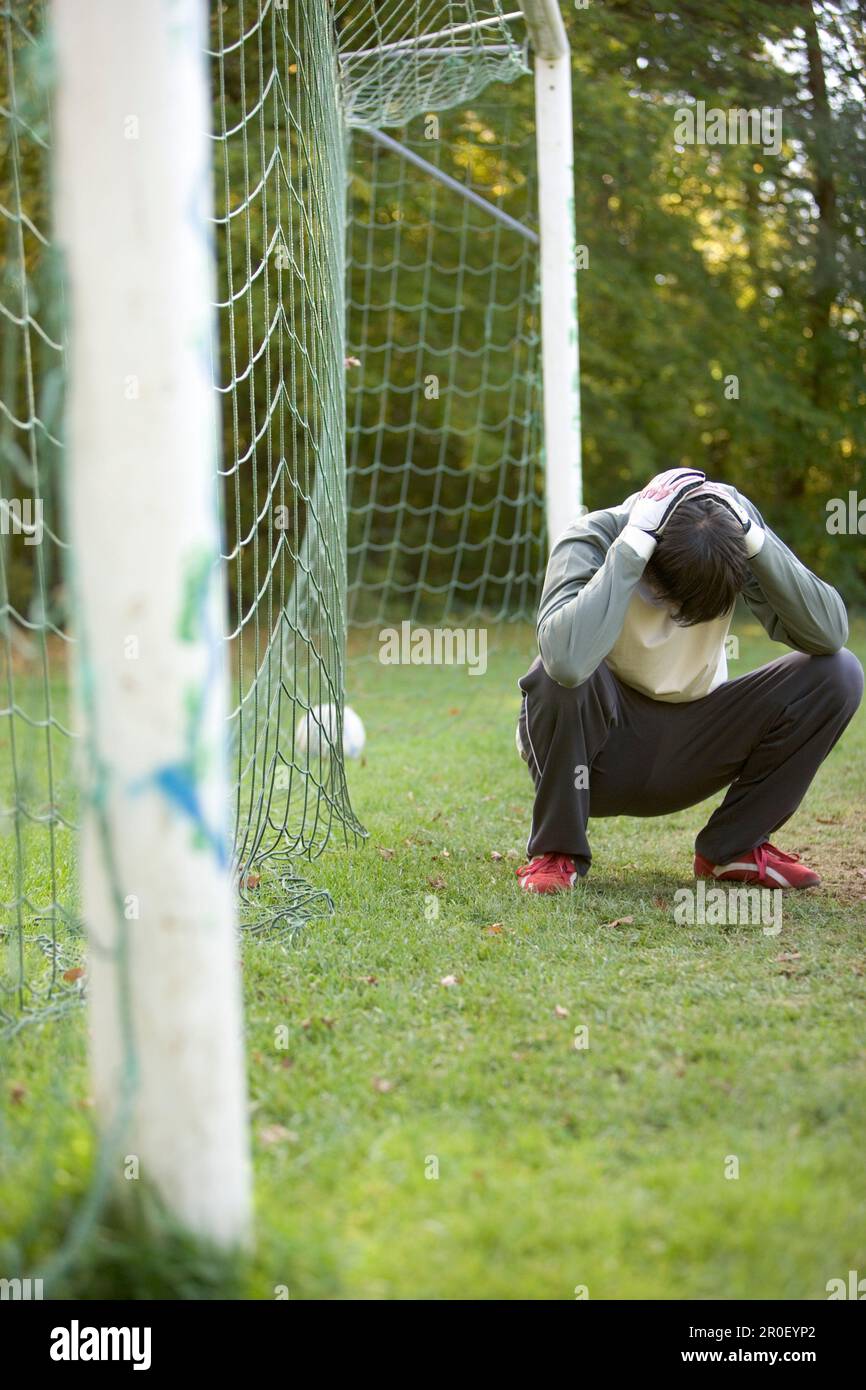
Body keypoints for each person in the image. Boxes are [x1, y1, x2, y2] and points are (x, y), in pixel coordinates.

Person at [516, 467, 863, 892]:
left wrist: (755, 538)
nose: (679, 609)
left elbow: (828, 633)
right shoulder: (593, 537)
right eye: (672, 595)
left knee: (839, 672)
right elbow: (566, 661)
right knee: (556, 675)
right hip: (598, 755)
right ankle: (557, 851)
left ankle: (733, 848)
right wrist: (631, 548)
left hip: (695, 744)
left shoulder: (729, 540)